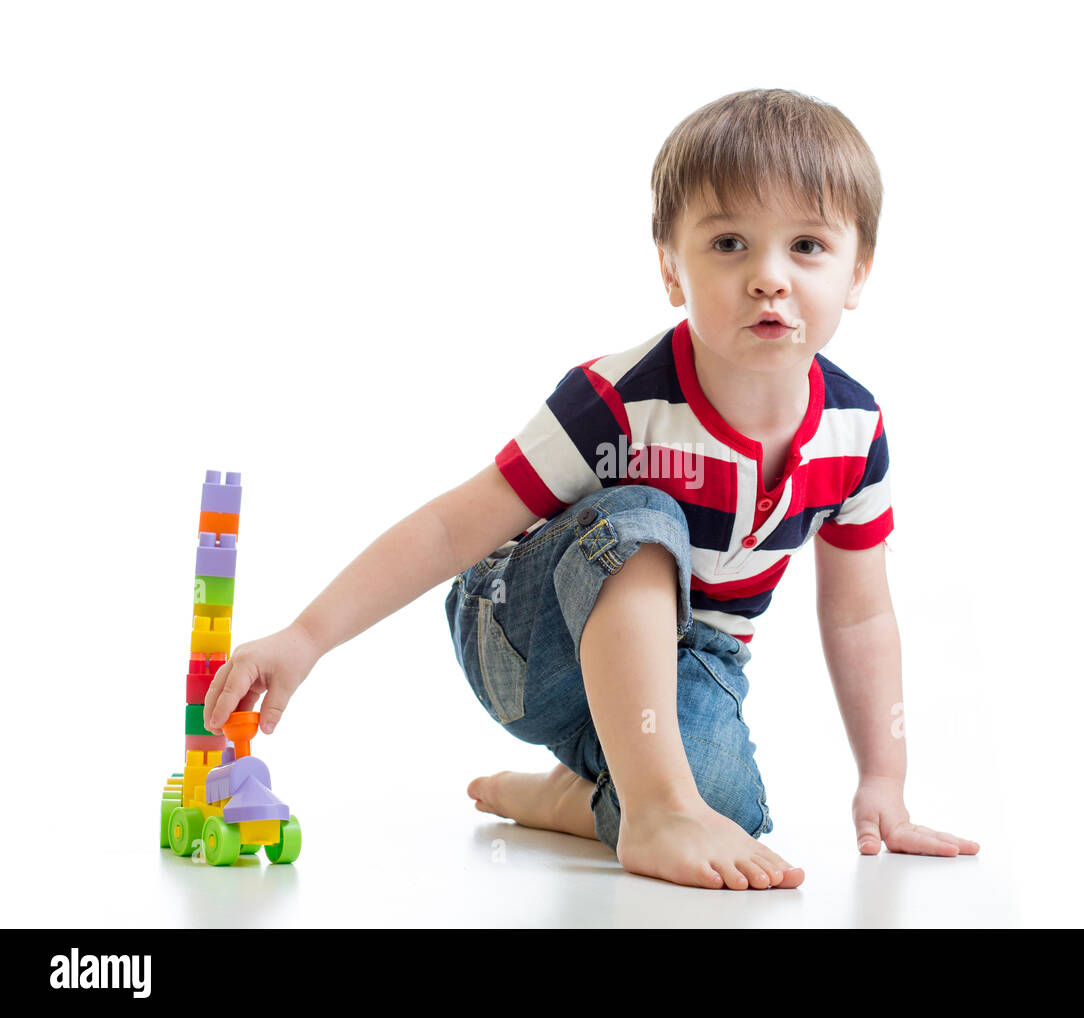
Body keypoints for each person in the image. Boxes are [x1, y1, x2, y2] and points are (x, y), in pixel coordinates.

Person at [204, 87, 979, 891]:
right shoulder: (617, 402)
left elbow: (859, 612)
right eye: (728, 244)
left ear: (858, 272)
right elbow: (448, 530)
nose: (768, 278)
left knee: (731, 809)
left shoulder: (853, 431)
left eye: (807, 246)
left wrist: (883, 780)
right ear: (670, 270)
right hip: (524, 634)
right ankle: (649, 806)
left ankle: (594, 798)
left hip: (683, 663)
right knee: (644, 521)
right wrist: (305, 637)